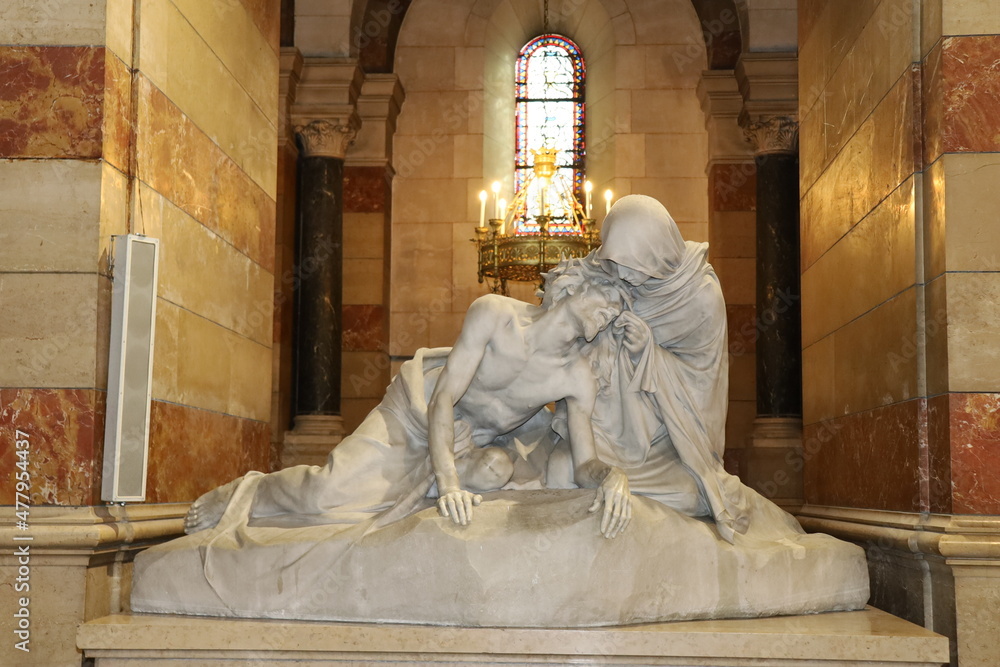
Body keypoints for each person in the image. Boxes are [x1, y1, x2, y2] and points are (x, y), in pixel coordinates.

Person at [184, 263, 635, 539]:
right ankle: (247, 491)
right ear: (575, 285)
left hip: (471, 441)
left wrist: (612, 477)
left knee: (498, 468)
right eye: (608, 297)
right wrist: (451, 482)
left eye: (619, 309)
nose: (613, 311)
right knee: (324, 495)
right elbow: (443, 399)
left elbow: (583, 464)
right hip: (416, 413)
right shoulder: (496, 315)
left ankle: (431, 490)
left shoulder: (577, 376)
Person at [546, 194, 751, 543]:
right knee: (562, 470)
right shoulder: (607, 269)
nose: (622, 275)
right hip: (604, 429)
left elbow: (705, 380)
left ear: (657, 250)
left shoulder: (700, 296)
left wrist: (648, 353)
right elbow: (562, 313)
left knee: (692, 495)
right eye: (615, 262)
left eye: (633, 264)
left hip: (666, 440)